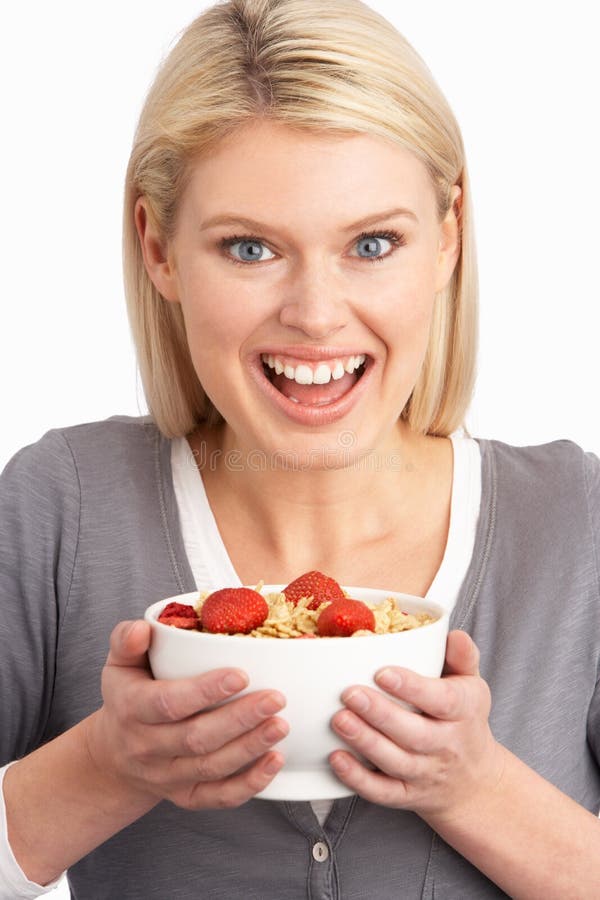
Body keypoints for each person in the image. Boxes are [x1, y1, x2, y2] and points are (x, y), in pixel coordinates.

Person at [1, 0, 599, 897]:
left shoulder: (577, 522)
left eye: (373, 243)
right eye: (250, 248)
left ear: (448, 238)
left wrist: (478, 789)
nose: (316, 316)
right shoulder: (64, 508)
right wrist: (104, 767)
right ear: (159, 248)